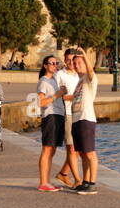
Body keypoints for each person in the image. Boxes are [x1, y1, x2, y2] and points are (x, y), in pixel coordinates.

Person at [64, 51, 99, 194]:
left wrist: (84, 54)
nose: (76, 65)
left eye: (80, 63)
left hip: (86, 119)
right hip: (77, 120)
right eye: (75, 63)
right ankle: (85, 181)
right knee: (83, 154)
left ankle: (92, 183)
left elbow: (90, 70)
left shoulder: (90, 79)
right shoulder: (79, 81)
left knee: (90, 154)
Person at [36, 56, 67, 191]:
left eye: (56, 63)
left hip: (58, 115)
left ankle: (46, 181)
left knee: (52, 150)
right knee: (47, 149)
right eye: (52, 63)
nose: (55, 65)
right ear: (45, 66)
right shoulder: (44, 81)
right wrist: (57, 95)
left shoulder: (53, 80)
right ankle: (43, 182)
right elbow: (40, 102)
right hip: (50, 116)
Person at [54, 48, 82, 188]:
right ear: (65, 60)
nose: (71, 62)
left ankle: (63, 174)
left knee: (77, 149)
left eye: (73, 60)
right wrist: (74, 97)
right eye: (69, 60)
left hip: (79, 114)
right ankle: (78, 180)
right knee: (71, 148)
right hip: (67, 114)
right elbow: (58, 95)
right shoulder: (60, 75)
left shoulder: (79, 75)